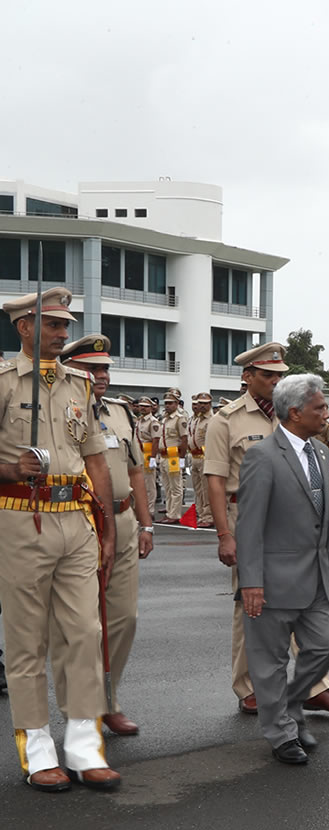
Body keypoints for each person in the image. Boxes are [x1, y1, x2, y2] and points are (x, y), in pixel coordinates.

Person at [0, 291, 122, 791]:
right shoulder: (5, 382)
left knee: (85, 633)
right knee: (27, 639)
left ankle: (84, 747)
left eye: (64, 324)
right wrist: (10, 469)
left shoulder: (79, 383)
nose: (62, 333)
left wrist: (108, 527)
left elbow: (95, 457)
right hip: (21, 516)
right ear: (25, 327)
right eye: (52, 324)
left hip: (76, 517)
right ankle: (37, 749)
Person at [206, 342, 329, 714]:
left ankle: (315, 685)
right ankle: (249, 686)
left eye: (279, 375)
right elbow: (216, 480)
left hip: (297, 519)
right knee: (252, 604)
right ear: (247, 376)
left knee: (307, 598)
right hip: (249, 518)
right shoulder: (227, 419)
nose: (275, 381)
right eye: (267, 375)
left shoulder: (293, 411)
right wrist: (224, 534)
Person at [235, 374, 329, 765]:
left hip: (317, 576)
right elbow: (249, 526)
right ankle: (282, 734)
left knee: (324, 647)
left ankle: (288, 706)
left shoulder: (320, 452)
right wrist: (251, 582)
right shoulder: (263, 456)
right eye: (320, 408)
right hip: (273, 581)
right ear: (295, 412)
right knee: (270, 662)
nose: (327, 414)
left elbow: (328, 516)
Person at [57, 334, 156, 737]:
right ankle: (81, 706)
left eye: (105, 368)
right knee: (81, 623)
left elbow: (135, 472)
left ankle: (107, 700)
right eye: (91, 368)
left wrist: (146, 524)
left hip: (123, 519)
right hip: (79, 521)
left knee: (123, 618)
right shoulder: (60, 410)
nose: (101, 375)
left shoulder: (119, 412)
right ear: (70, 370)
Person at [157, 388, 190, 523]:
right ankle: (169, 512)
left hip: (174, 456)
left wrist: (181, 458)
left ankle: (174, 514)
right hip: (164, 456)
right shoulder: (165, 419)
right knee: (167, 487)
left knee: (175, 487)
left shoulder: (179, 419)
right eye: (166, 403)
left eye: (171, 403)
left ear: (177, 404)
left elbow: (184, 439)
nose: (168, 405)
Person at [189, 392, 215, 528]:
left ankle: (208, 516)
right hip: (194, 457)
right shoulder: (197, 419)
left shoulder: (212, 419)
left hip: (206, 457)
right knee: (198, 489)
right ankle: (201, 514)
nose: (202, 406)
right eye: (200, 403)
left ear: (210, 404)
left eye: (205, 404)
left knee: (206, 490)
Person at [136, 397, 161, 510]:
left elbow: (156, 440)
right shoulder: (139, 420)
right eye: (141, 406)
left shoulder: (153, 422)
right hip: (139, 454)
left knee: (149, 484)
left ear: (151, 408)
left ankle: (150, 509)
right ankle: (142, 508)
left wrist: (153, 458)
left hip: (148, 454)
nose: (143, 408)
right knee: (139, 483)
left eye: (146, 406)